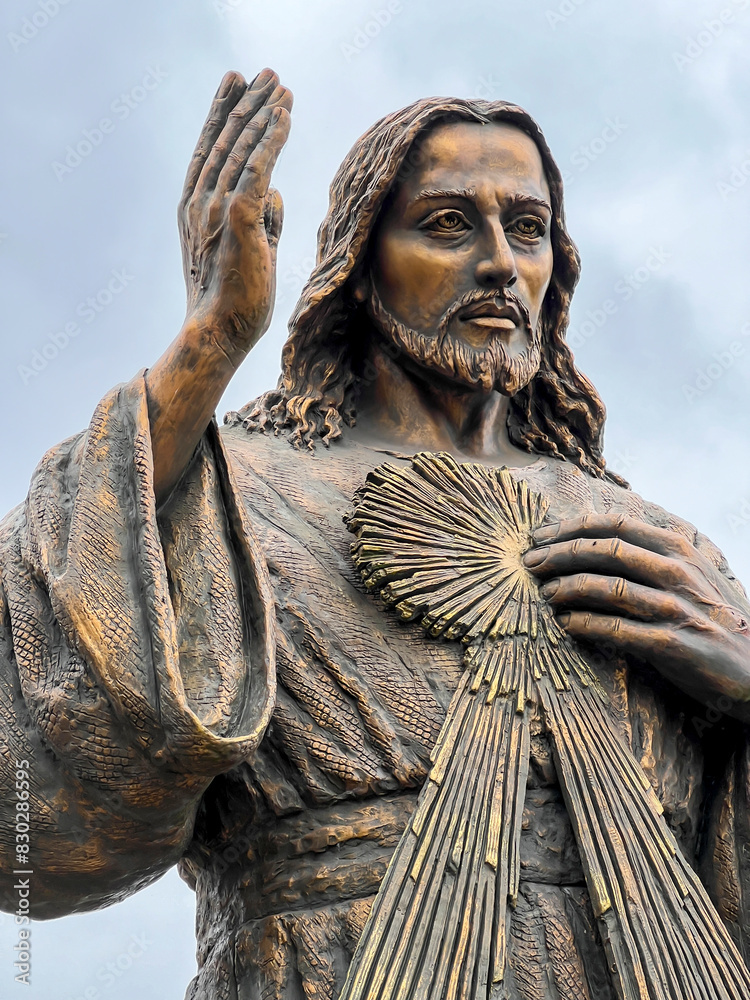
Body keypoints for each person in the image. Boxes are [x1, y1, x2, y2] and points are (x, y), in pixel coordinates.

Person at [2, 67, 750, 1000]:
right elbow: (44, 822)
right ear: (359, 263)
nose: (499, 264)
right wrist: (211, 341)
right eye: (447, 224)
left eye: (527, 228)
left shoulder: (654, 546)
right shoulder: (232, 489)